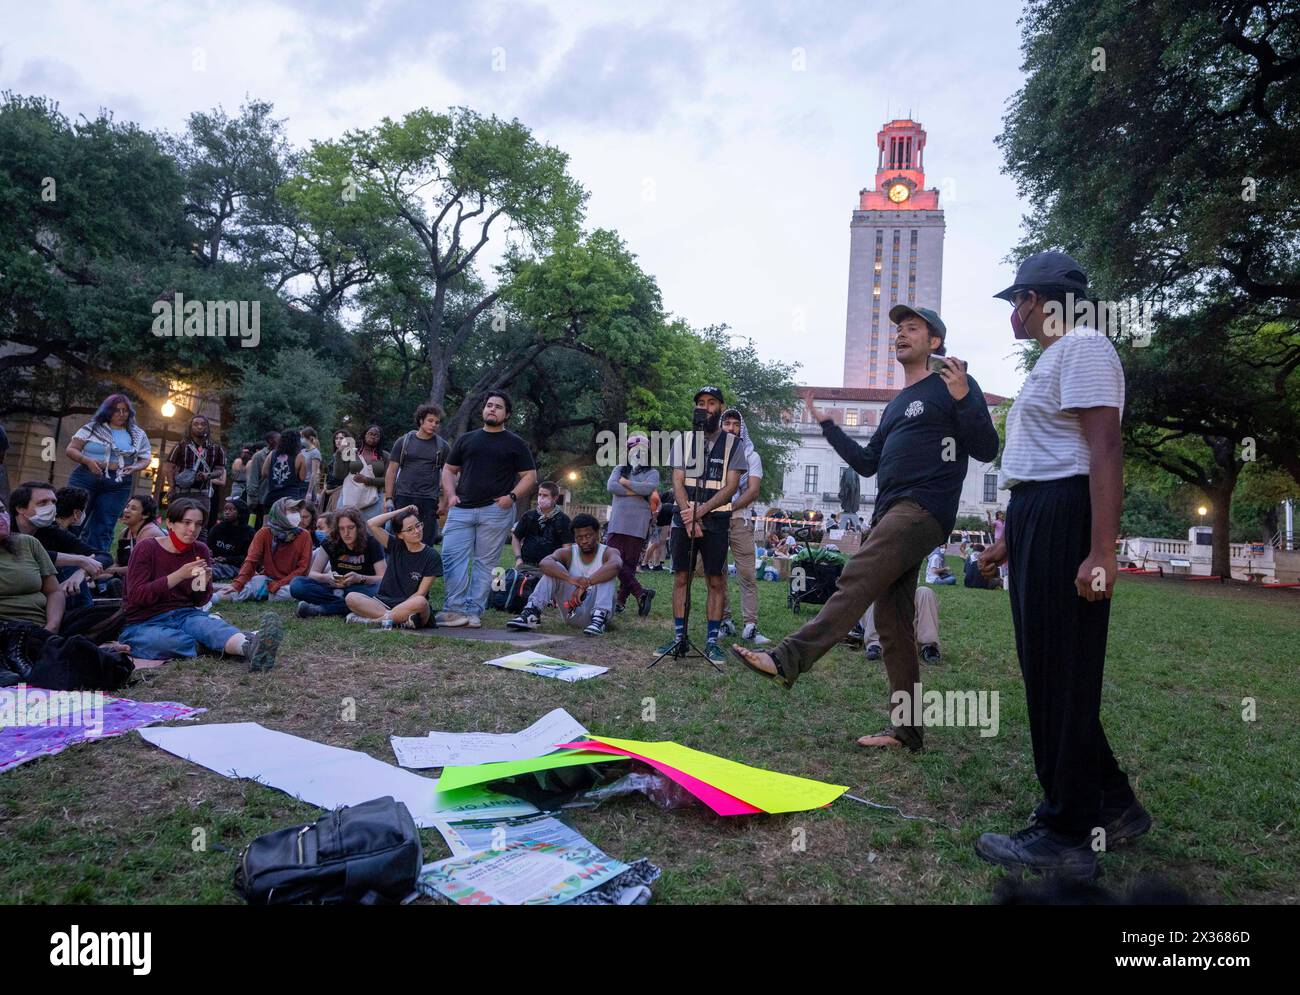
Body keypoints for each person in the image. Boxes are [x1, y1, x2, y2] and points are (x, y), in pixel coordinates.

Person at [732, 305, 998, 754]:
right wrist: (829, 426)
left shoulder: (952, 385)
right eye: (897, 329)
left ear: (935, 342)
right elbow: (867, 463)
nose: (900, 334)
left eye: (911, 328)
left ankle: (786, 659)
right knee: (894, 623)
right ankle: (908, 732)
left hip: (923, 508)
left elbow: (987, 448)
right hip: (892, 508)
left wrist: (966, 398)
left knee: (856, 574)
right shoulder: (897, 404)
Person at [975, 250, 1148, 877]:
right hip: (1039, 517)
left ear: (1043, 300)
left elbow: (1104, 447)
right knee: (1053, 672)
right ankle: (1114, 803)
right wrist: (1009, 540)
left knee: (1059, 674)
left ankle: (1068, 833)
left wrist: (1102, 550)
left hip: (1067, 514)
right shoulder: (1056, 359)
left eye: (1018, 299)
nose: (1014, 312)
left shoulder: (1084, 348)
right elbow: (1043, 459)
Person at [118, 498, 282, 670]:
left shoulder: (200, 550)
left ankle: (250, 649)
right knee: (169, 641)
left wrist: (203, 583)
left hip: (185, 614)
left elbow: (199, 601)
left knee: (205, 626)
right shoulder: (146, 548)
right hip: (145, 620)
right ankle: (228, 641)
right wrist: (179, 575)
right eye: (186, 522)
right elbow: (137, 596)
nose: (192, 529)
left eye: (198, 524)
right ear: (170, 523)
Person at [655, 386, 744, 664]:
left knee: (715, 580)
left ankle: (712, 641)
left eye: (712, 403)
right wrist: (686, 514)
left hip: (716, 520)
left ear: (720, 407)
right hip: (684, 519)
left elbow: (731, 487)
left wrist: (700, 512)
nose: (706, 407)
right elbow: (677, 481)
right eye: (701, 403)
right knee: (681, 577)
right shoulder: (683, 441)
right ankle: (679, 636)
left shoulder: (734, 444)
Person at [436, 391, 537, 628]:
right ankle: (454, 609)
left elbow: (530, 476)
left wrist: (511, 497)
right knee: (451, 558)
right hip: (462, 509)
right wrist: (450, 495)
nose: (492, 409)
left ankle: (473, 612)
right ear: (483, 410)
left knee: (486, 563)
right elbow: (449, 470)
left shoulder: (515, 443)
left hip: (495, 511)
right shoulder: (466, 439)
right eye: (489, 405)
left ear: (507, 414)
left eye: (498, 407)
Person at [64, 394, 154, 554]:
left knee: (104, 525)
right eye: (116, 410)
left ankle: (94, 564)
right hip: (86, 477)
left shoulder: (137, 434)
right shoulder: (92, 428)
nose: (121, 414)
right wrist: (87, 461)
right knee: (73, 519)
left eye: (125, 411)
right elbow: (71, 449)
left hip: (118, 483)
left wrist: (135, 467)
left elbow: (145, 458)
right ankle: (64, 559)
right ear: (107, 411)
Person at [507, 514, 621, 636]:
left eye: (588, 536)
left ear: (597, 533)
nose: (584, 541)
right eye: (579, 537)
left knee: (607, 572)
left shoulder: (608, 552)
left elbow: (616, 565)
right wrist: (571, 579)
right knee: (554, 569)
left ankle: (599, 619)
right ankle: (532, 612)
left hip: (597, 611)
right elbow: (544, 563)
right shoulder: (569, 552)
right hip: (572, 610)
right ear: (574, 538)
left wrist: (586, 583)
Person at [716, 409, 770, 645]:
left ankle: (750, 625)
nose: (730, 428)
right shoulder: (713, 453)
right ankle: (724, 621)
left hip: (740, 519)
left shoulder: (751, 455)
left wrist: (731, 507)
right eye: (726, 423)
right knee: (717, 574)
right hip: (715, 519)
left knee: (747, 573)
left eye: (735, 424)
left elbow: (753, 490)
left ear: (741, 428)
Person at [9, 481, 105, 608]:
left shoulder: (52, 531)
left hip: (42, 592)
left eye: (53, 502)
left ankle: (84, 620)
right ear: (20, 508)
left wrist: (81, 573)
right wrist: (79, 560)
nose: (51, 507)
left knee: (72, 570)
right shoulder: (5, 527)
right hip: (10, 592)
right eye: (43, 503)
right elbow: (26, 551)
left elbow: (103, 556)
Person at [344, 505, 439, 628]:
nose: (417, 531)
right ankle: (400, 621)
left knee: (421, 602)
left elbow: (420, 593)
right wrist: (401, 511)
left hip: (411, 605)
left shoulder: (432, 555)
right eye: (409, 529)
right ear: (400, 535)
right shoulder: (395, 545)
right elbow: (372, 523)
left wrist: (402, 609)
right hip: (383, 603)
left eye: (418, 525)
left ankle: (373, 621)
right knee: (351, 597)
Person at [291, 505, 386, 618]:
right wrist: (328, 578)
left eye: (350, 528)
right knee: (297, 585)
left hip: (361, 589)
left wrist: (360, 578)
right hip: (335, 588)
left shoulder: (371, 542)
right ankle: (345, 606)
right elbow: (313, 573)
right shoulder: (330, 541)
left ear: (359, 527)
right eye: (342, 528)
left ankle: (320, 609)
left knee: (378, 591)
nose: (346, 533)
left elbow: (383, 578)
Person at [215, 497, 312, 602]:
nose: (296, 514)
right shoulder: (264, 533)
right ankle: (214, 598)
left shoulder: (304, 535)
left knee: (295, 591)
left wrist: (279, 584)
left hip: (291, 583)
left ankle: (262, 593)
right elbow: (251, 560)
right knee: (246, 587)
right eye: (292, 510)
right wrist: (237, 584)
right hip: (267, 579)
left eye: (297, 511)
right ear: (279, 513)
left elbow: (303, 569)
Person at [604, 434, 658, 617]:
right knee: (614, 562)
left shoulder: (652, 472)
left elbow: (648, 488)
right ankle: (640, 592)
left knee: (629, 563)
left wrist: (626, 484)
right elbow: (611, 487)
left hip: (638, 524)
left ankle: (620, 601)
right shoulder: (619, 468)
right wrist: (635, 491)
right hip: (618, 522)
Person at [385, 405, 450, 544]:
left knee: (425, 540)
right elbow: (391, 470)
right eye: (430, 420)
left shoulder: (443, 446)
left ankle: (422, 566)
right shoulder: (403, 442)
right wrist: (388, 498)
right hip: (403, 496)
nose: (434, 425)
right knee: (399, 539)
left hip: (429, 499)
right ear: (421, 420)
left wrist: (444, 502)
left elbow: (448, 475)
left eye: (437, 422)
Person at [0, 495, 65, 632]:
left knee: (105, 616)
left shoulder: (27, 542)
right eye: (42, 502)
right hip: (8, 631)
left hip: (42, 627)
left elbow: (54, 591)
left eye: (2, 510)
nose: (2, 518)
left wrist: (52, 626)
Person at [165, 415, 226, 535]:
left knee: (201, 529)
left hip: (202, 494)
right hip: (181, 492)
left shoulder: (217, 449)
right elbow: (168, 467)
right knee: (176, 525)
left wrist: (208, 475)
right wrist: (171, 487)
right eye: (196, 424)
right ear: (190, 427)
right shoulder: (181, 446)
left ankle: (198, 553)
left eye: (203, 424)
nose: (199, 426)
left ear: (208, 428)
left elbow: (220, 470)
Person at [863, 587, 941, 664]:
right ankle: (875, 645)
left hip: (909, 627)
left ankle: (928, 647)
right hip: (887, 627)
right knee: (877, 590)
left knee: (925, 592)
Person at [102, 495, 165, 582]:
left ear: (145, 515)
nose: (126, 510)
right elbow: (118, 563)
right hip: (130, 576)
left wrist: (110, 571)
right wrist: (100, 573)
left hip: (152, 580)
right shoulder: (124, 533)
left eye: (133, 508)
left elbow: (140, 569)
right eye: (127, 506)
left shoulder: (150, 533)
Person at [511, 480, 572, 569]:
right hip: (526, 564)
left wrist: (561, 566)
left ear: (555, 498)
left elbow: (567, 546)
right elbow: (516, 537)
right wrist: (518, 559)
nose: (541, 498)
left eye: (545, 495)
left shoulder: (564, 520)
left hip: (551, 566)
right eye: (539, 495)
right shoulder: (529, 516)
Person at [335, 425, 388, 523]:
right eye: (370, 434)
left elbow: (388, 481)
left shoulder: (384, 456)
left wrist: (367, 480)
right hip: (348, 499)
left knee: (370, 533)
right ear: (364, 435)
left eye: (377, 435)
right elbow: (339, 475)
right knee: (345, 528)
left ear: (380, 438)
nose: (373, 437)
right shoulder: (352, 452)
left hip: (373, 503)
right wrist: (339, 453)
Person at [207, 497, 256, 581]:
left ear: (240, 513)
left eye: (231, 509)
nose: (226, 512)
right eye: (225, 509)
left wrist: (226, 559)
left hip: (234, 566)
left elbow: (248, 558)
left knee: (209, 572)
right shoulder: (217, 528)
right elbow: (208, 547)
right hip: (214, 562)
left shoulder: (248, 533)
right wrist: (209, 556)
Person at [263, 429, 309, 508]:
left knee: (269, 520)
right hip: (291, 497)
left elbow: (264, 472)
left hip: (272, 495)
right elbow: (302, 477)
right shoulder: (299, 456)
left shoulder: (272, 453)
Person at [244, 431, 280, 529]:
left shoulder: (281, 456)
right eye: (278, 439)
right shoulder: (259, 456)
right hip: (261, 500)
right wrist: (253, 500)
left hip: (275, 500)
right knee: (259, 528)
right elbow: (253, 480)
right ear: (270, 441)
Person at [300, 427, 324, 505]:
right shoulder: (302, 451)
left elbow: (314, 473)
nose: (301, 439)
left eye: (302, 437)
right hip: (299, 484)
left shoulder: (315, 452)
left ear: (310, 438)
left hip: (307, 485)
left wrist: (309, 492)